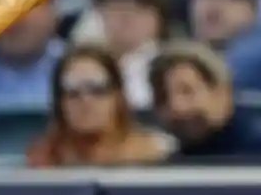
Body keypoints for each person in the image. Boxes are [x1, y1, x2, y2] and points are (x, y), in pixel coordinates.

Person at [149, 41, 261, 157]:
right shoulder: (167, 164)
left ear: (223, 93)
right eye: (163, 97)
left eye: (187, 91)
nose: (176, 106)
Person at [26, 46, 173, 167]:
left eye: (97, 90)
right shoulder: (43, 159)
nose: (86, 101)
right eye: (73, 92)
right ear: (60, 103)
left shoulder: (154, 153)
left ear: (118, 97)